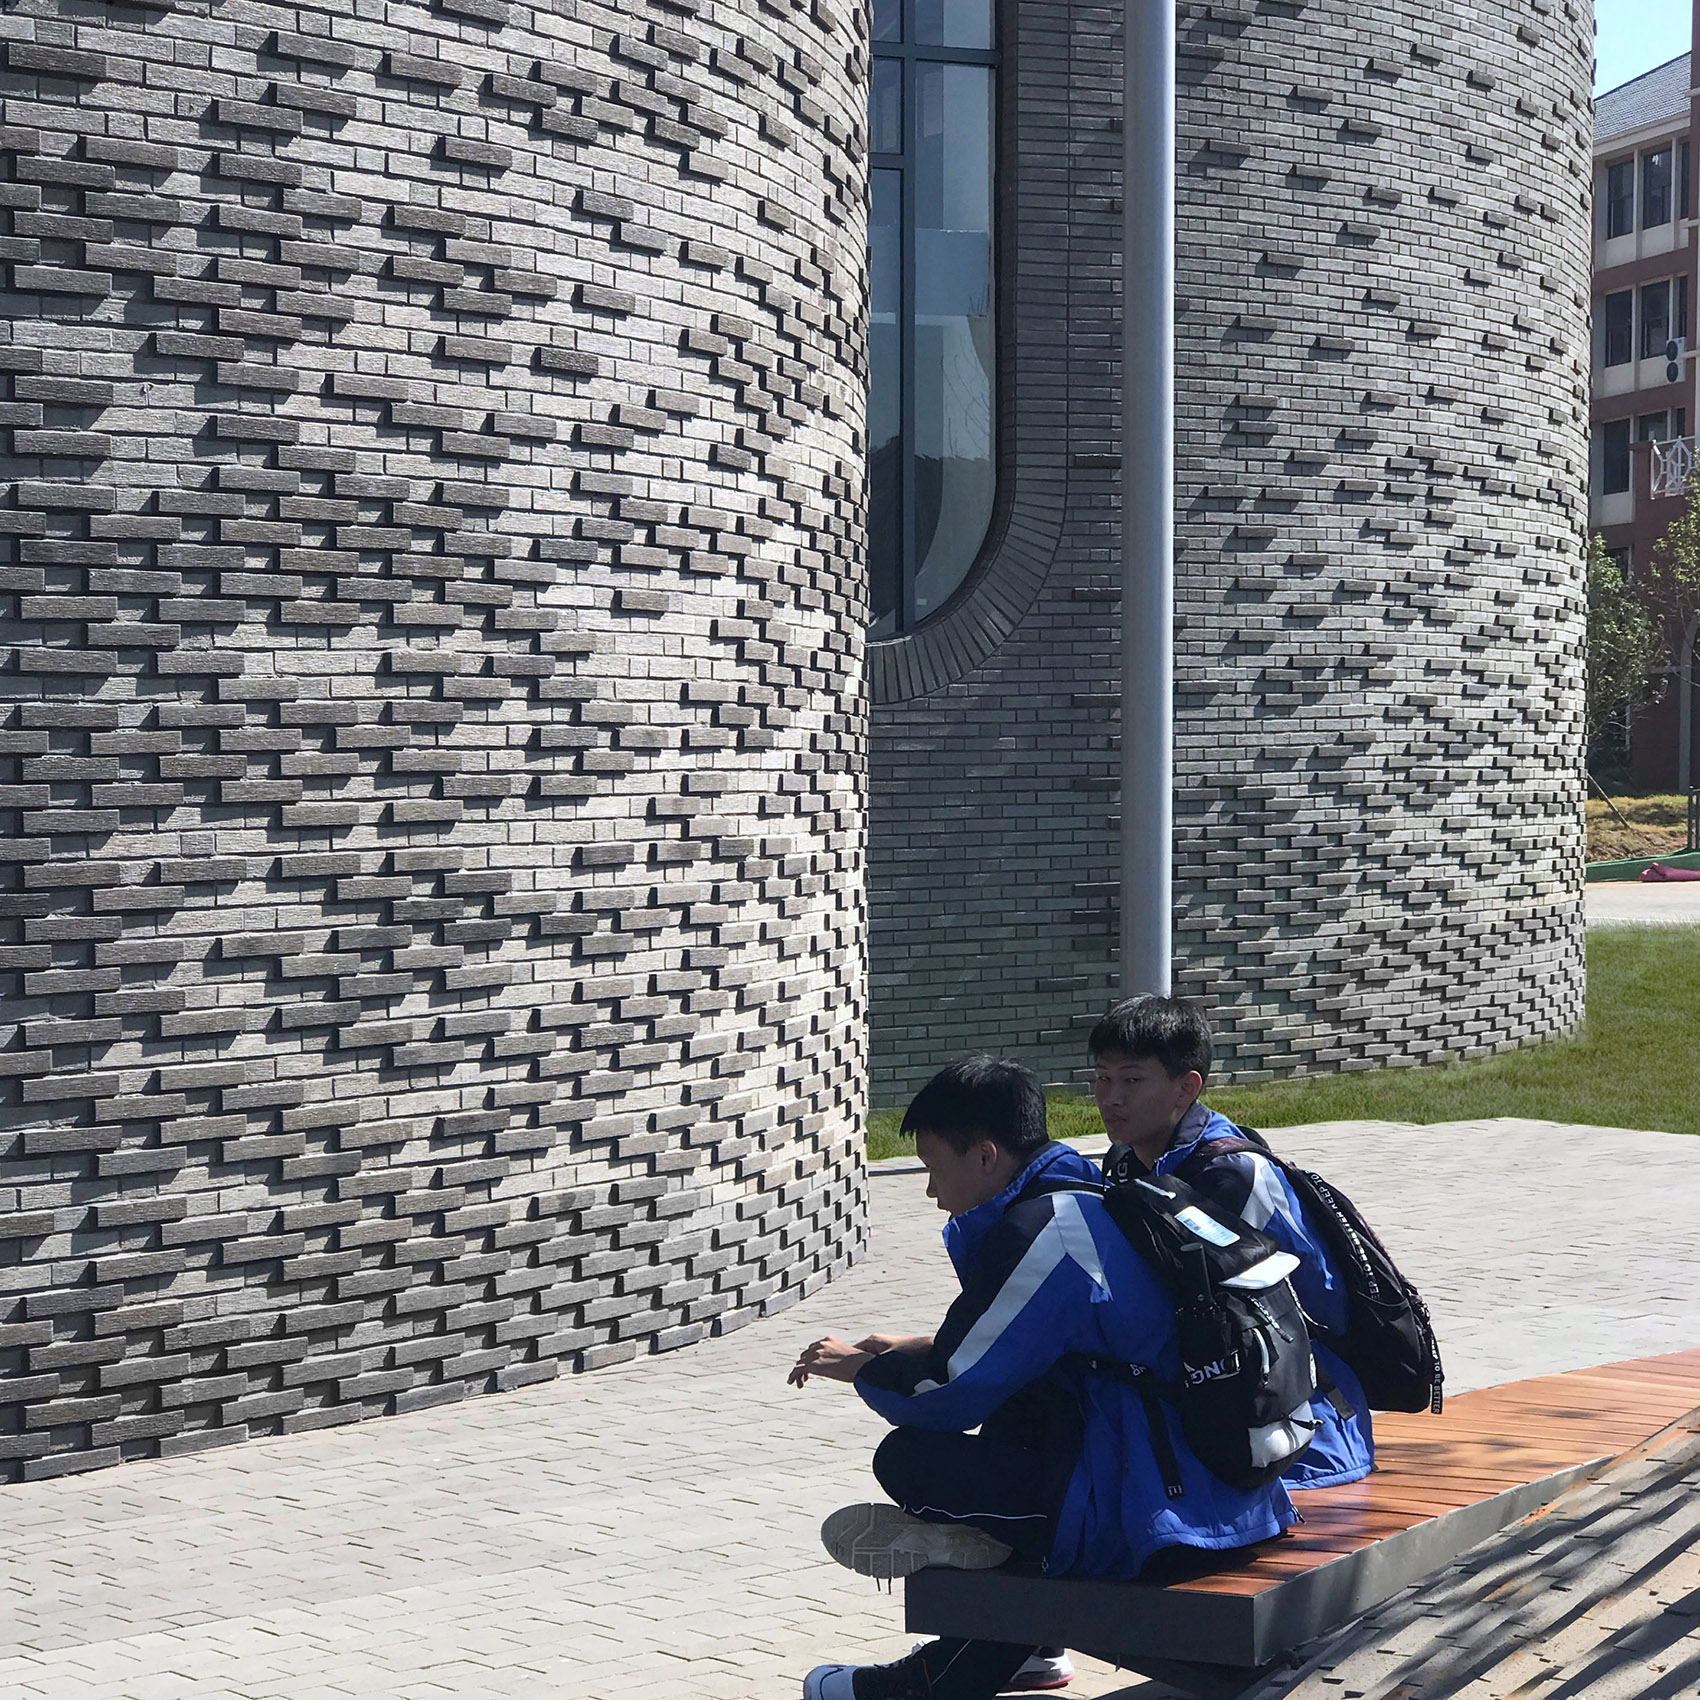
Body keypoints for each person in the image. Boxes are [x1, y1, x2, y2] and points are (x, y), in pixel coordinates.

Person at [788, 1056, 1296, 1700]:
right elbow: (1050, 1341)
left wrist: (864, 1368)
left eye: (932, 1168)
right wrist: (914, 1344)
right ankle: (1019, 1628)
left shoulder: (1047, 1231)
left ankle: (987, 1556)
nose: (928, 1191)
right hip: (1219, 1479)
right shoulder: (1090, 1188)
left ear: (984, 1155)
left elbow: (954, 1390)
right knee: (1022, 1411)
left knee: (907, 1458)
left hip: (1151, 1506)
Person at [1087, 994, 1374, 1488]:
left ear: (1186, 1088)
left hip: (1306, 1437)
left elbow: (1328, 1305)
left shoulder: (1236, 1176)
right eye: (1102, 1078)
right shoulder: (1128, 1164)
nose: (1111, 1098)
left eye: (1132, 1080)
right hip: (1221, 1402)